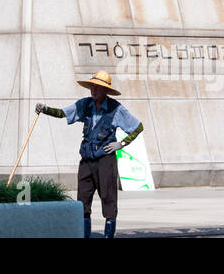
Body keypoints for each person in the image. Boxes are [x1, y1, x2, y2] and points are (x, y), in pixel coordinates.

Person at [36, 70, 145, 239]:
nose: (93, 90)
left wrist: (121, 144)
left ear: (105, 90)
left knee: (108, 199)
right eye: (92, 86)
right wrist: (45, 109)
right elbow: (63, 113)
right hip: (86, 161)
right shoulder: (85, 104)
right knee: (82, 201)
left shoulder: (116, 109)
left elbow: (137, 127)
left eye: (97, 87)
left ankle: (108, 236)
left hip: (105, 160)